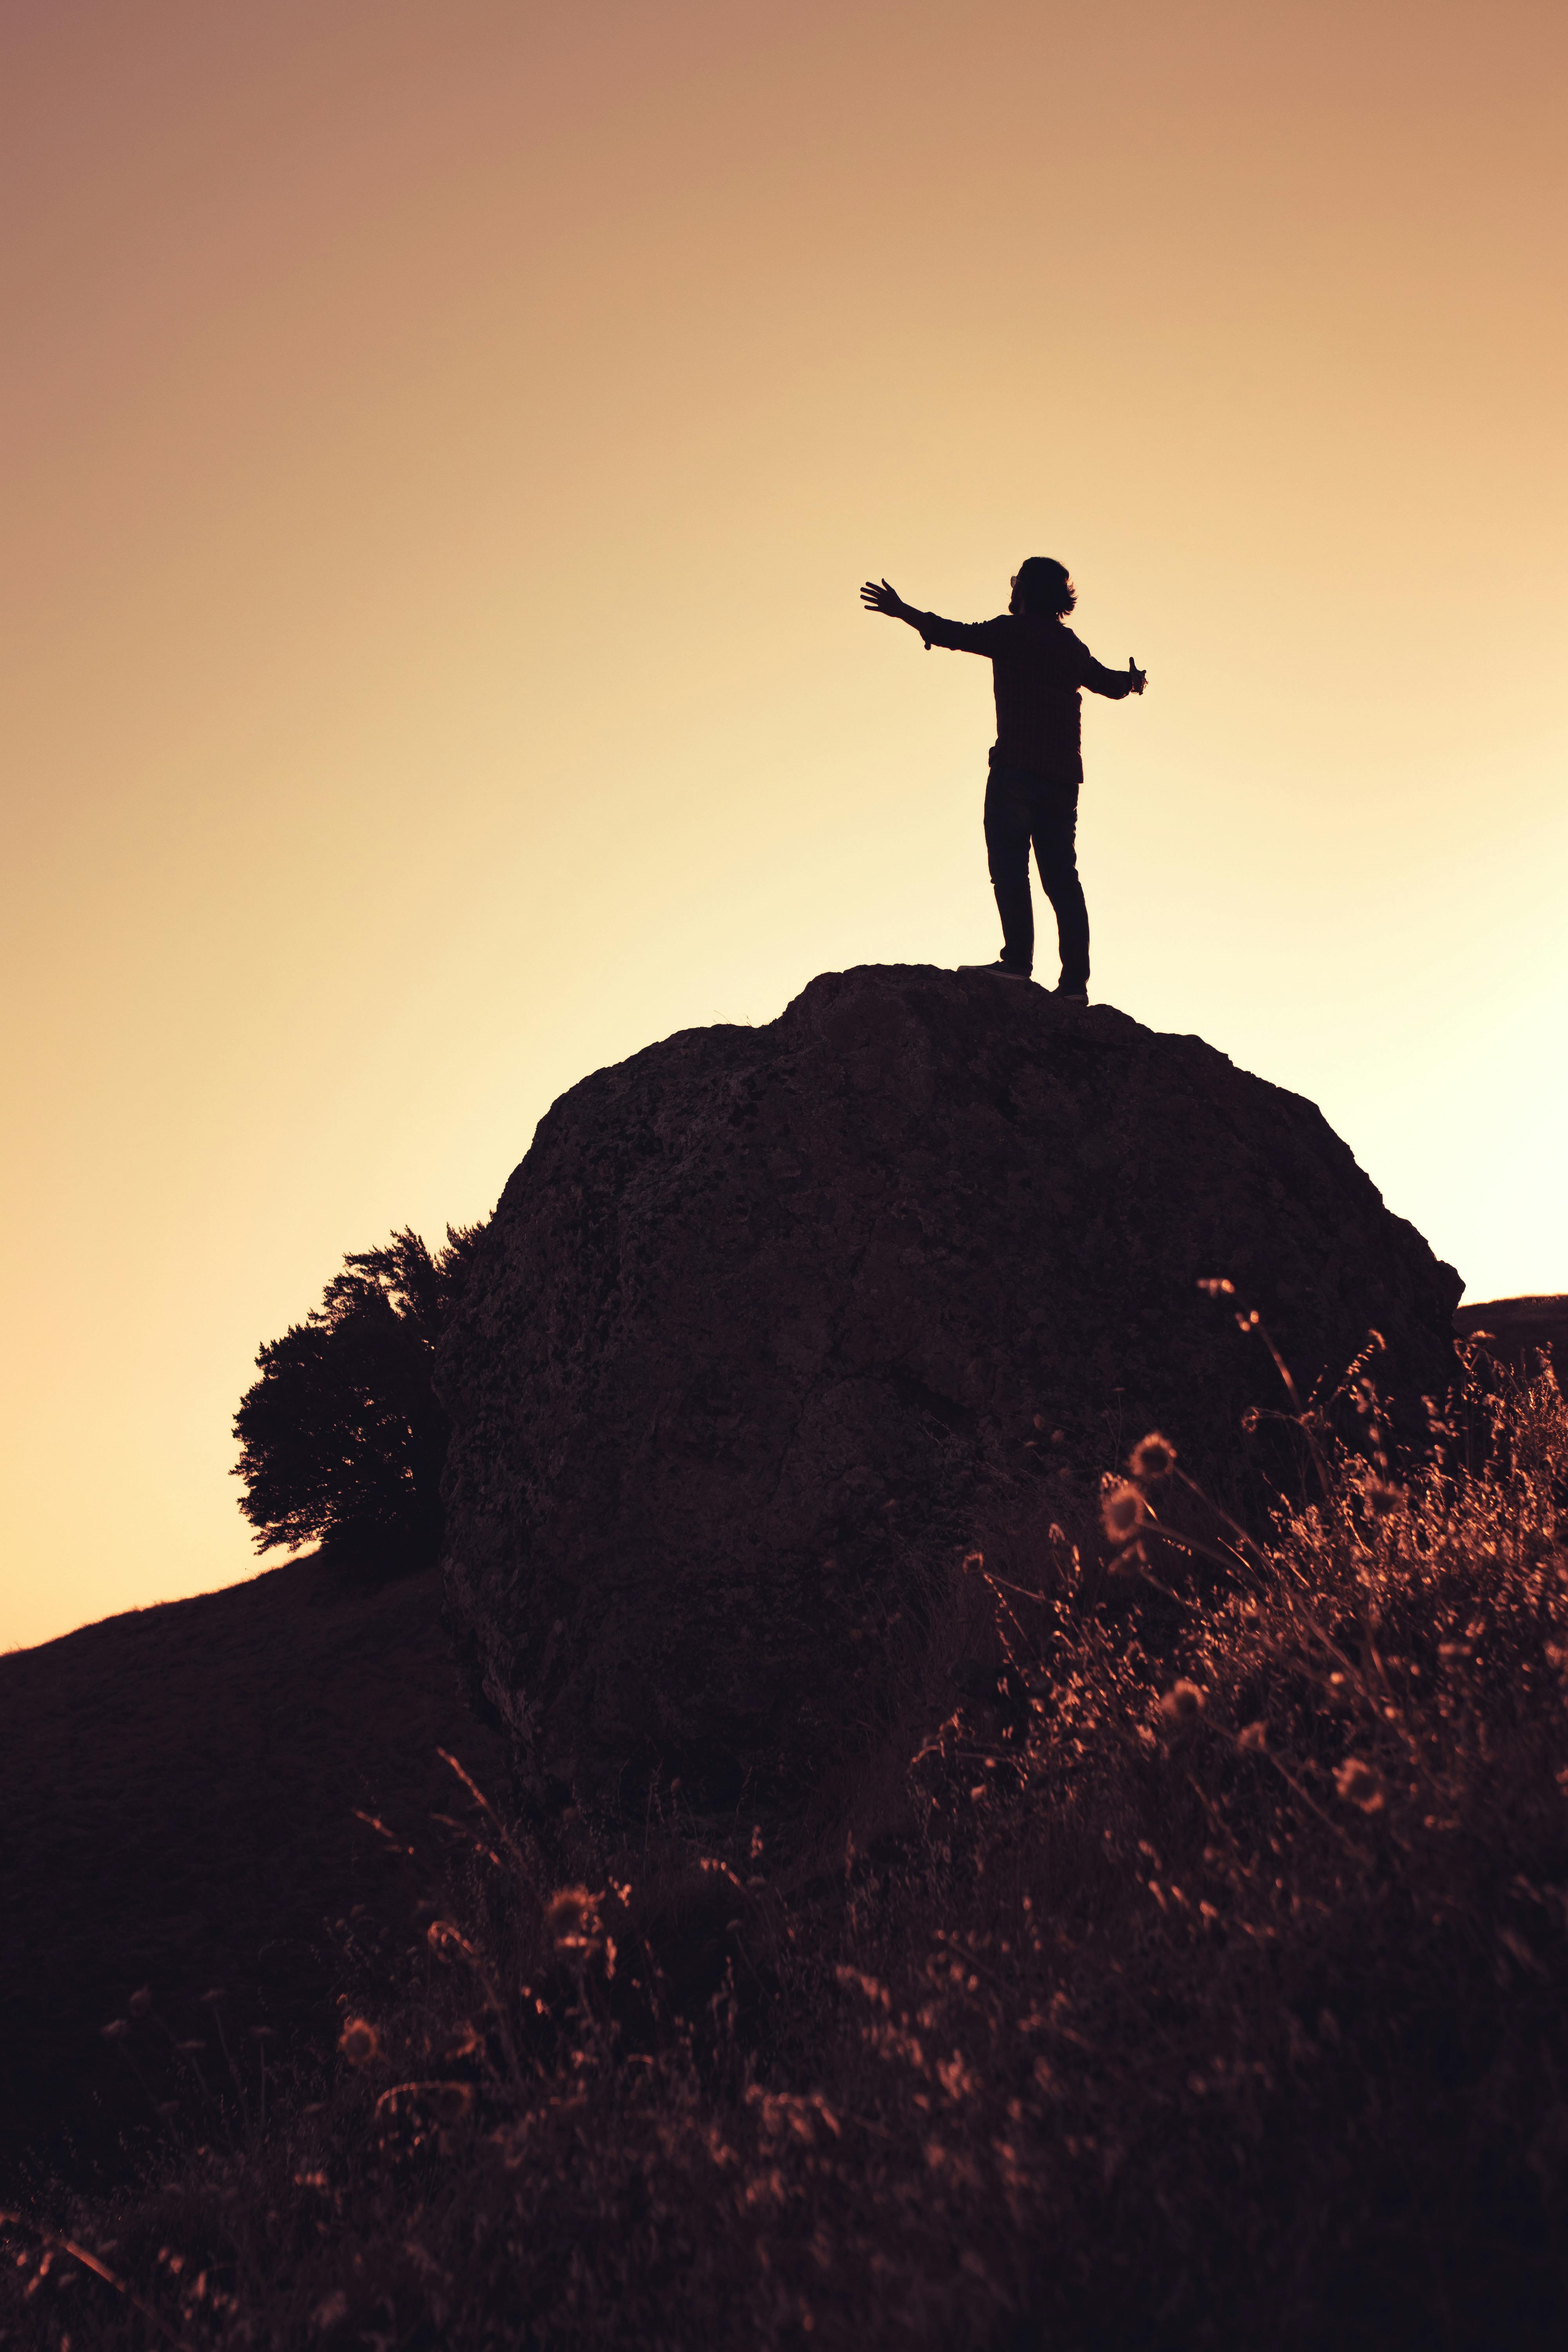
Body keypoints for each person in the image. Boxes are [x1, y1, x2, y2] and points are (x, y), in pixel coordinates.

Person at [860, 558, 1145, 1001]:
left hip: (1016, 770)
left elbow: (951, 632)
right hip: (1062, 779)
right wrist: (1132, 681)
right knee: (1062, 880)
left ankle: (1017, 962)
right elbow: (1107, 684)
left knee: (1009, 867)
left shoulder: (1009, 633)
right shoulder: (1071, 647)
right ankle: (1074, 986)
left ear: (1025, 592)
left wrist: (902, 611)